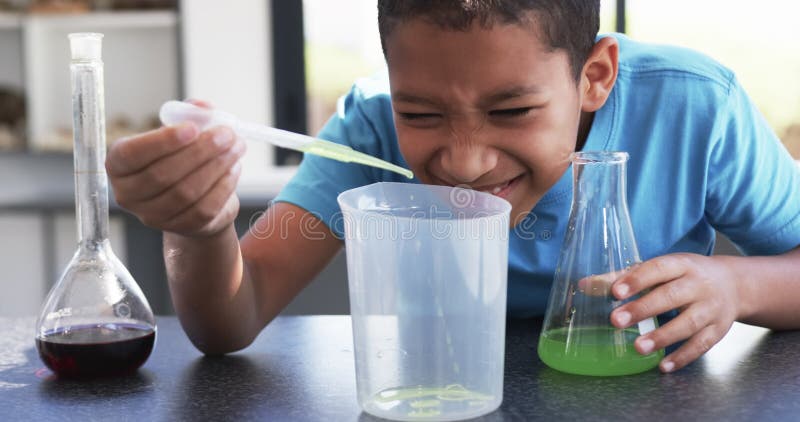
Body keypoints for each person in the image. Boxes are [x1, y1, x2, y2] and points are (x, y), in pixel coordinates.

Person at [106, 0, 800, 373]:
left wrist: (737, 287)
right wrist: (198, 226)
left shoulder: (696, 107)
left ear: (595, 76)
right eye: (422, 114)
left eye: (511, 111)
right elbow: (232, 317)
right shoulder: (369, 128)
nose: (465, 163)